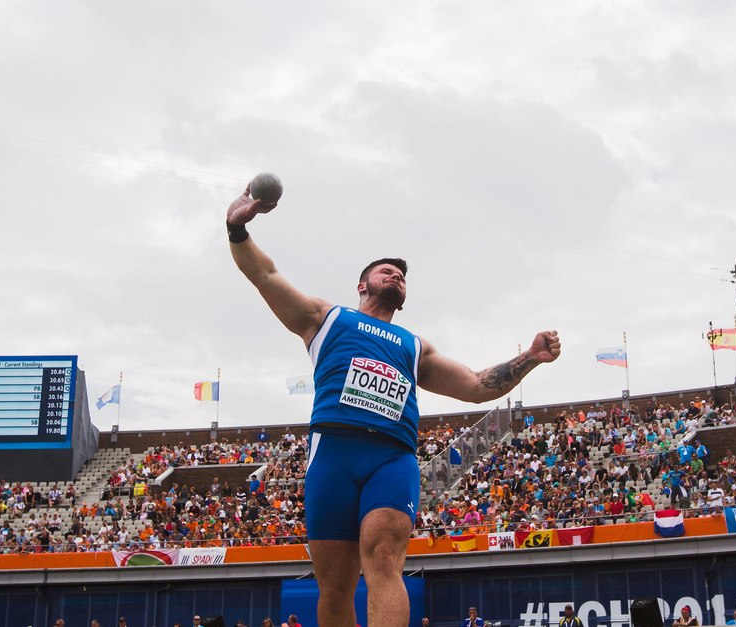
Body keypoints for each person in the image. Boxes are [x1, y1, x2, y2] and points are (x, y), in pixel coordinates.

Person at [227, 186, 560, 627]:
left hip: (392, 456)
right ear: (363, 284)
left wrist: (529, 358)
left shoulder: (414, 345)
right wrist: (237, 229)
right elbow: (266, 276)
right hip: (333, 453)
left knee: (383, 558)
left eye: (402, 275)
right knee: (336, 586)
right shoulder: (326, 318)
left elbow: (478, 385)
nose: (397, 276)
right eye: (387, 271)